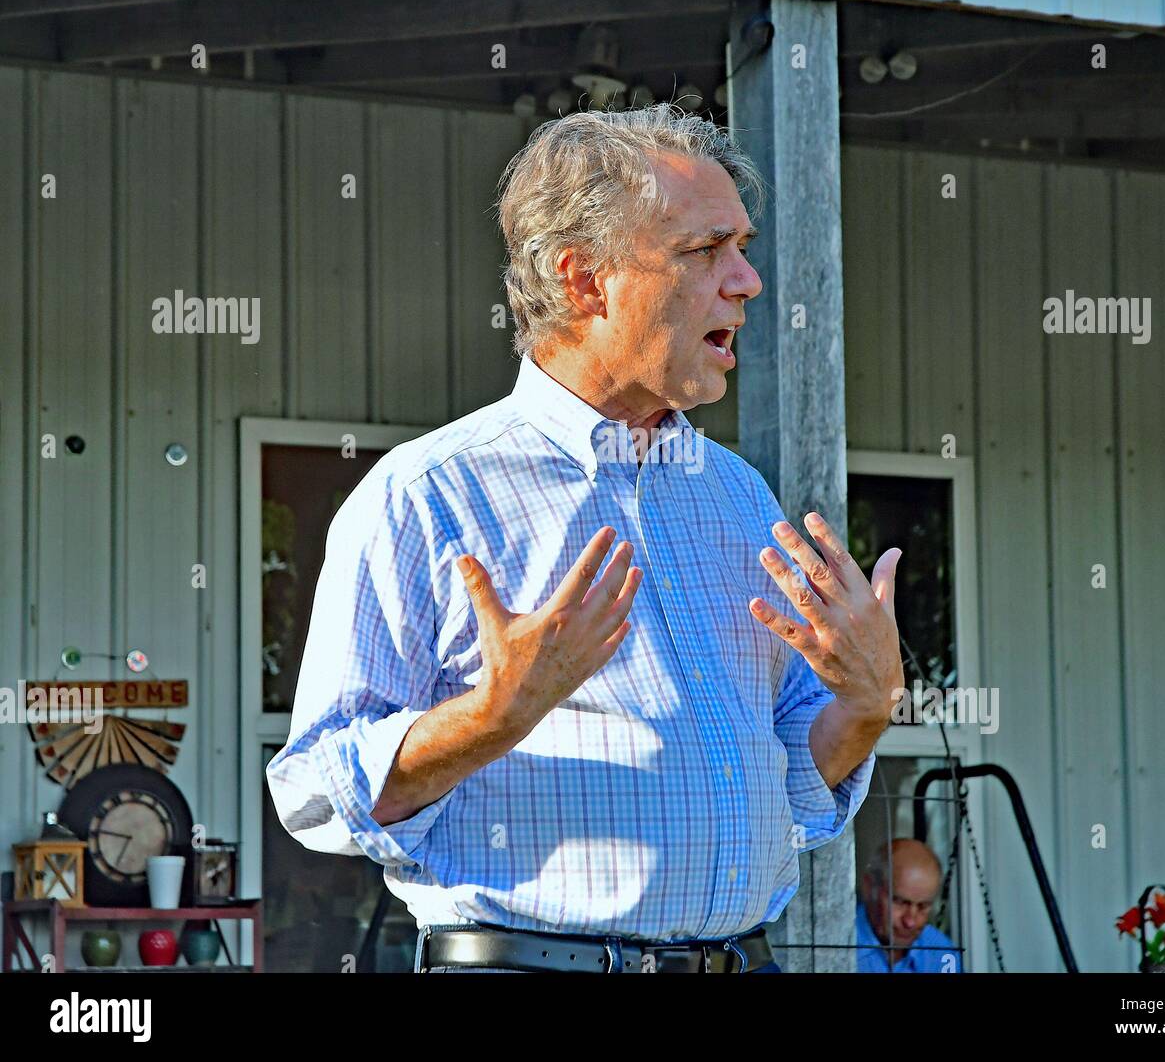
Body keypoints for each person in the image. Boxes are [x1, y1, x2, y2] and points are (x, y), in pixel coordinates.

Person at [266, 103, 906, 973]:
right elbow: (315, 793)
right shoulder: (429, 495)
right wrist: (492, 718)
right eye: (703, 250)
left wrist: (863, 706)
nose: (748, 281)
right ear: (584, 280)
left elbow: (790, 780)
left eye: (743, 246)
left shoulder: (739, 497)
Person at [857, 839, 962, 973]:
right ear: (869, 887)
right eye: (899, 902)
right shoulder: (838, 940)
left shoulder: (940, 951)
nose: (910, 922)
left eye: (923, 906)